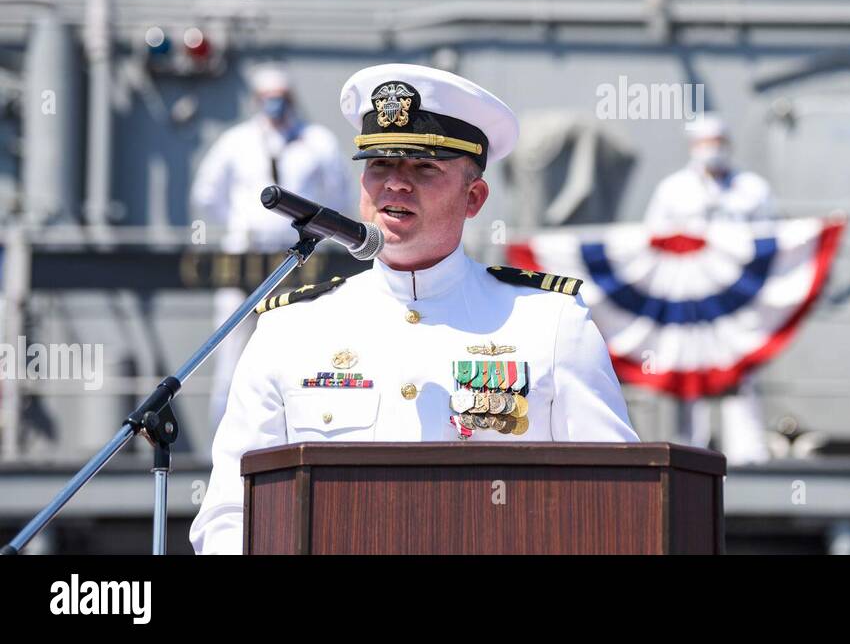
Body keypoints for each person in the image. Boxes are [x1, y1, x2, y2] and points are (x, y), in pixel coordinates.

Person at [190, 63, 637, 554]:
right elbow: (231, 513)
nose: (395, 184)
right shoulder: (288, 331)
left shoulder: (551, 324)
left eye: (424, 168)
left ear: (474, 198)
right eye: (380, 165)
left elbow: (616, 500)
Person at [190, 65, 351, 432]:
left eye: (281, 98)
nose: (274, 106)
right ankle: (224, 445)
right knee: (231, 352)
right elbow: (206, 192)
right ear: (256, 102)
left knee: (305, 349)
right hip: (244, 260)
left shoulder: (317, 142)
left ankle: (301, 435)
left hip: (299, 260)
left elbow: (339, 194)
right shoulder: (236, 142)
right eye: (267, 99)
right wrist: (240, 222)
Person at [644, 113, 774, 465]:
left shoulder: (753, 190)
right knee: (691, 373)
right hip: (691, 298)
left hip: (737, 298)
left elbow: (769, 242)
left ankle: (747, 450)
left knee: (740, 371)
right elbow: (653, 240)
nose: (711, 149)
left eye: (717, 141)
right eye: (704, 142)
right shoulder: (673, 190)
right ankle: (690, 449)